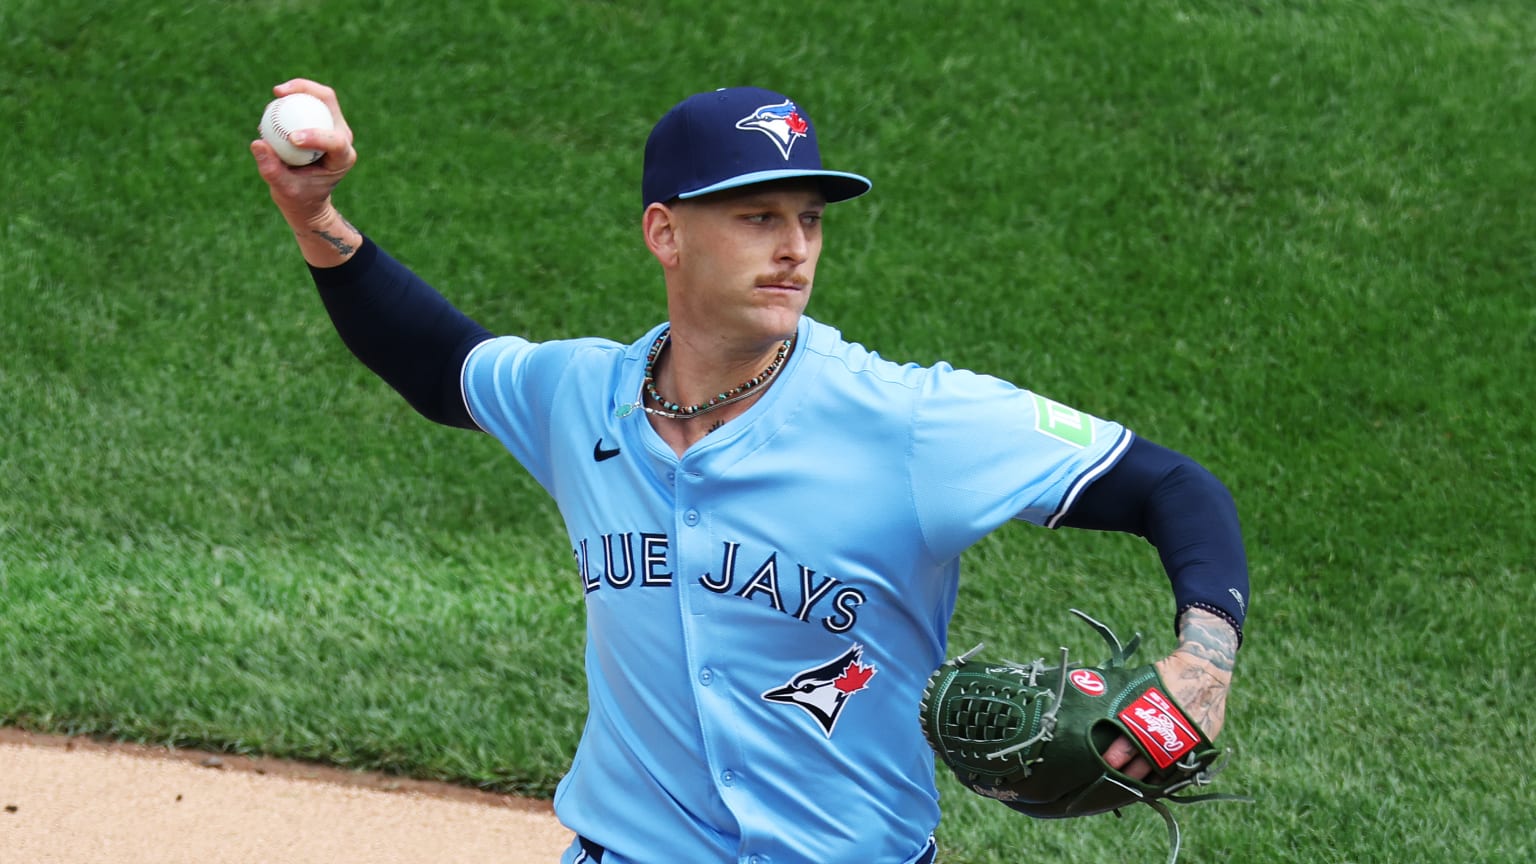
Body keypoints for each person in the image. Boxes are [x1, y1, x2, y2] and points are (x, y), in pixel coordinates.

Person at [251, 79, 1248, 864]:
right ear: (665, 233)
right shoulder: (580, 398)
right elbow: (441, 367)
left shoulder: (905, 421)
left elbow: (1170, 486)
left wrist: (1201, 662)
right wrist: (315, 218)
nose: (794, 249)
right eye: (756, 217)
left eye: (808, 219)